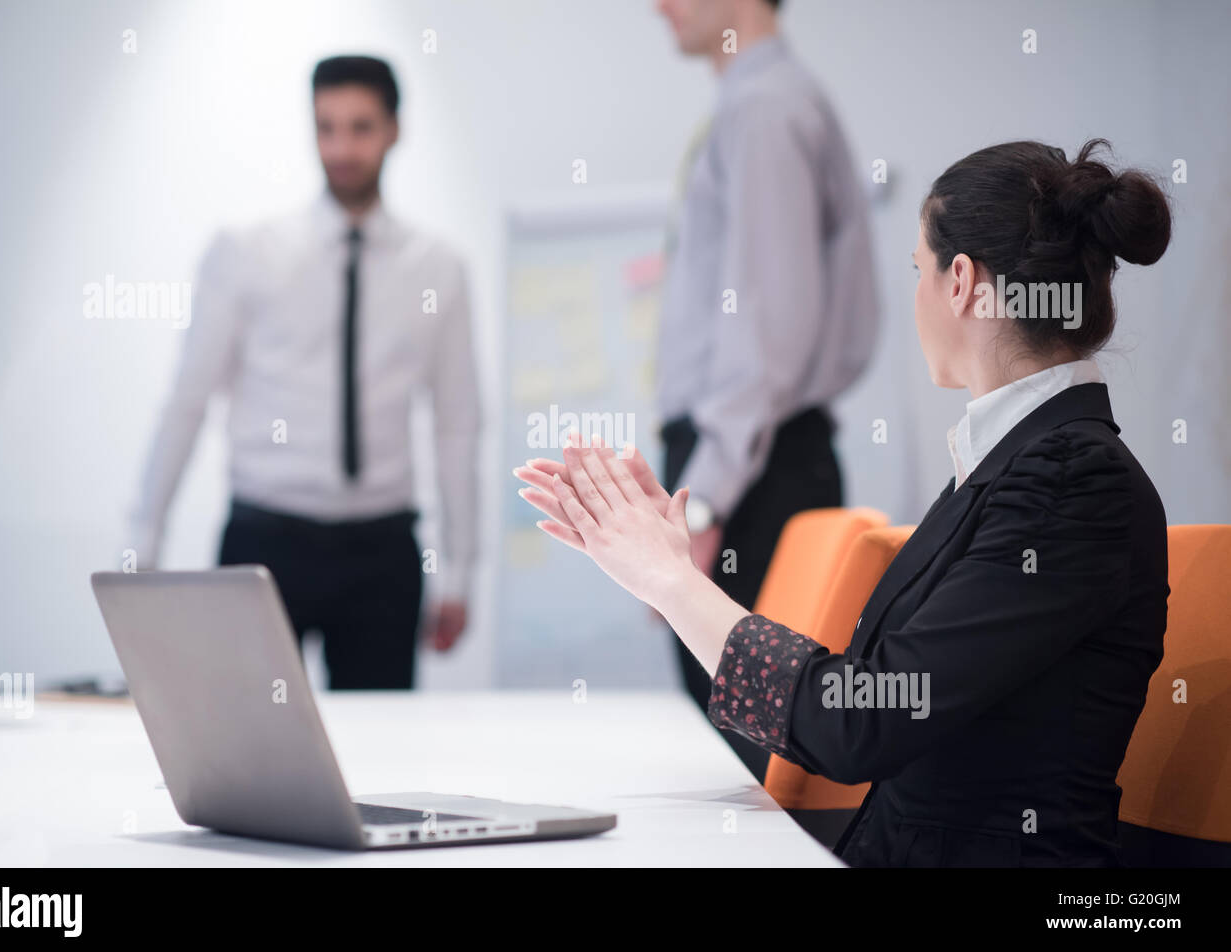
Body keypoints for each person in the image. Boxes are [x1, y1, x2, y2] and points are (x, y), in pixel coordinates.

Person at [515, 139, 1171, 866]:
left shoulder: (1071, 483)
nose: (916, 293)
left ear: (962, 282)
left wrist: (673, 584)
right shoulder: (1021, 463)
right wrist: (675, 580)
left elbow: (862, 719)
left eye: (917, 270)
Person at [128, 55, 480, 690]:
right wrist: (143, 539)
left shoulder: (439, 269)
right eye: (326, 127)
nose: (341, 147)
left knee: (383, 766)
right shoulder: (245, 253)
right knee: (244, 750)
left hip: (383, 551)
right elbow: (187, 400)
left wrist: (460, 570)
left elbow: (457, 424)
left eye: (360, 127)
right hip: (264, 544)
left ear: (394, 130)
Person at [653, 0, 878, 782]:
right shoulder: (763, 102)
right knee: (752, 739)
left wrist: (705, 500)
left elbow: (764, 327)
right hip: (757, 452)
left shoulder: (763, 108)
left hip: (750, 464)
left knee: (756, 750)